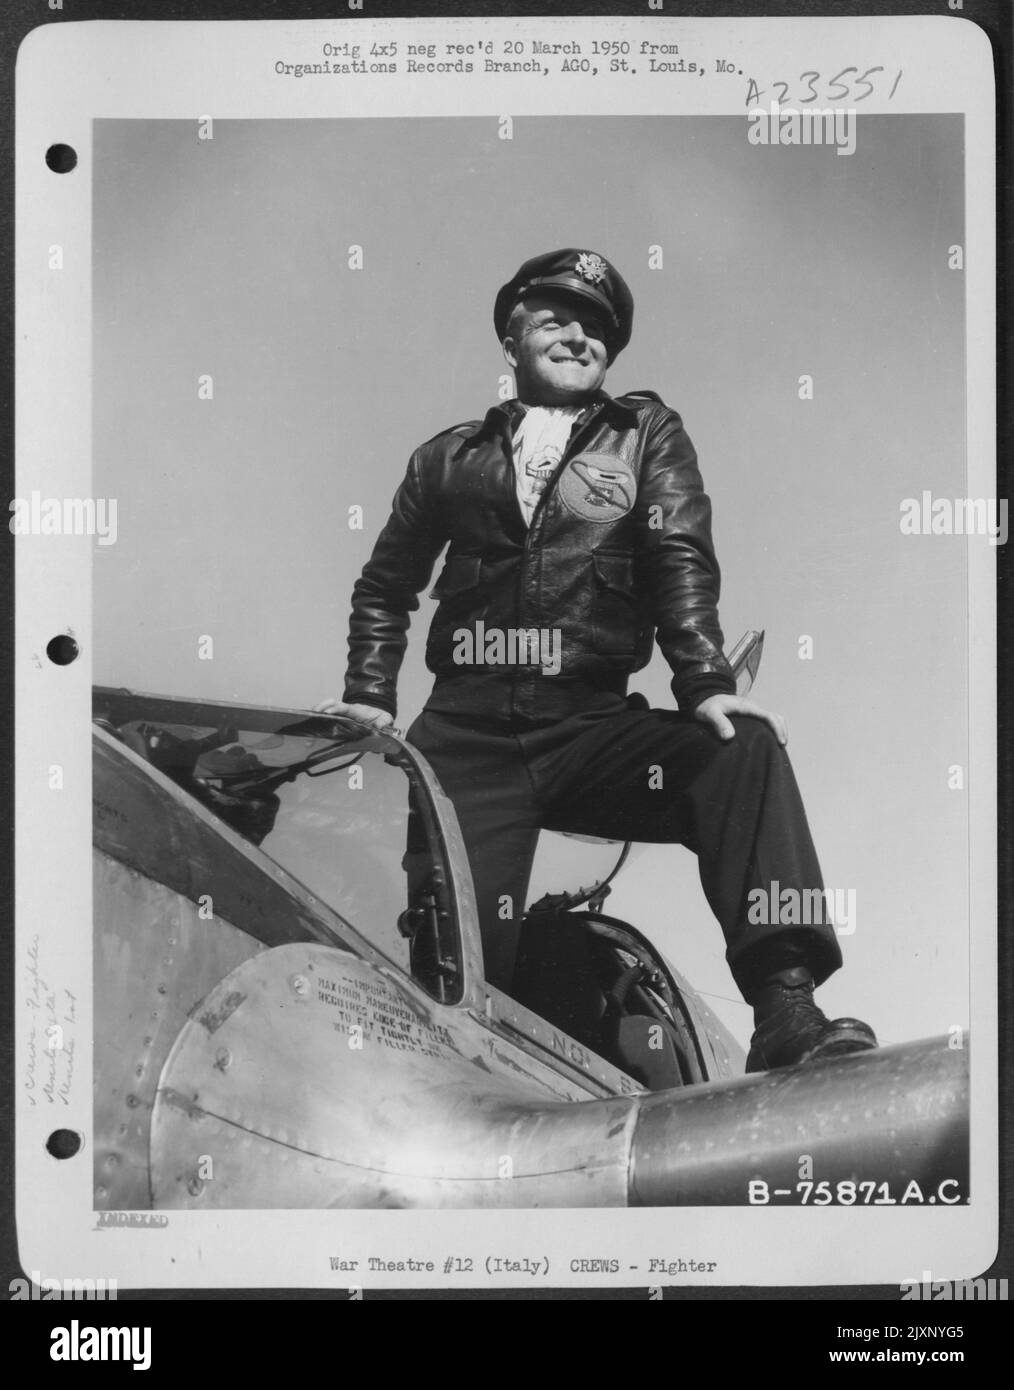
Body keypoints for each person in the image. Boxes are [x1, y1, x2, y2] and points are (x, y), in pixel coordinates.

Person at [317, 248, 877, 1073]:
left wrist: (707, 685)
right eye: (557, 320)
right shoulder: (444, 457)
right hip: (464, 739)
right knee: (465, 977)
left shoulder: (646, 432)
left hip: (587, 723)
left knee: (741, 750)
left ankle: (784, 1008)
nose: (580, 338)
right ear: (512, 337)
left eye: (598, 330)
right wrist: (368, 695)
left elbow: (679, 556)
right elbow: (384, 586)